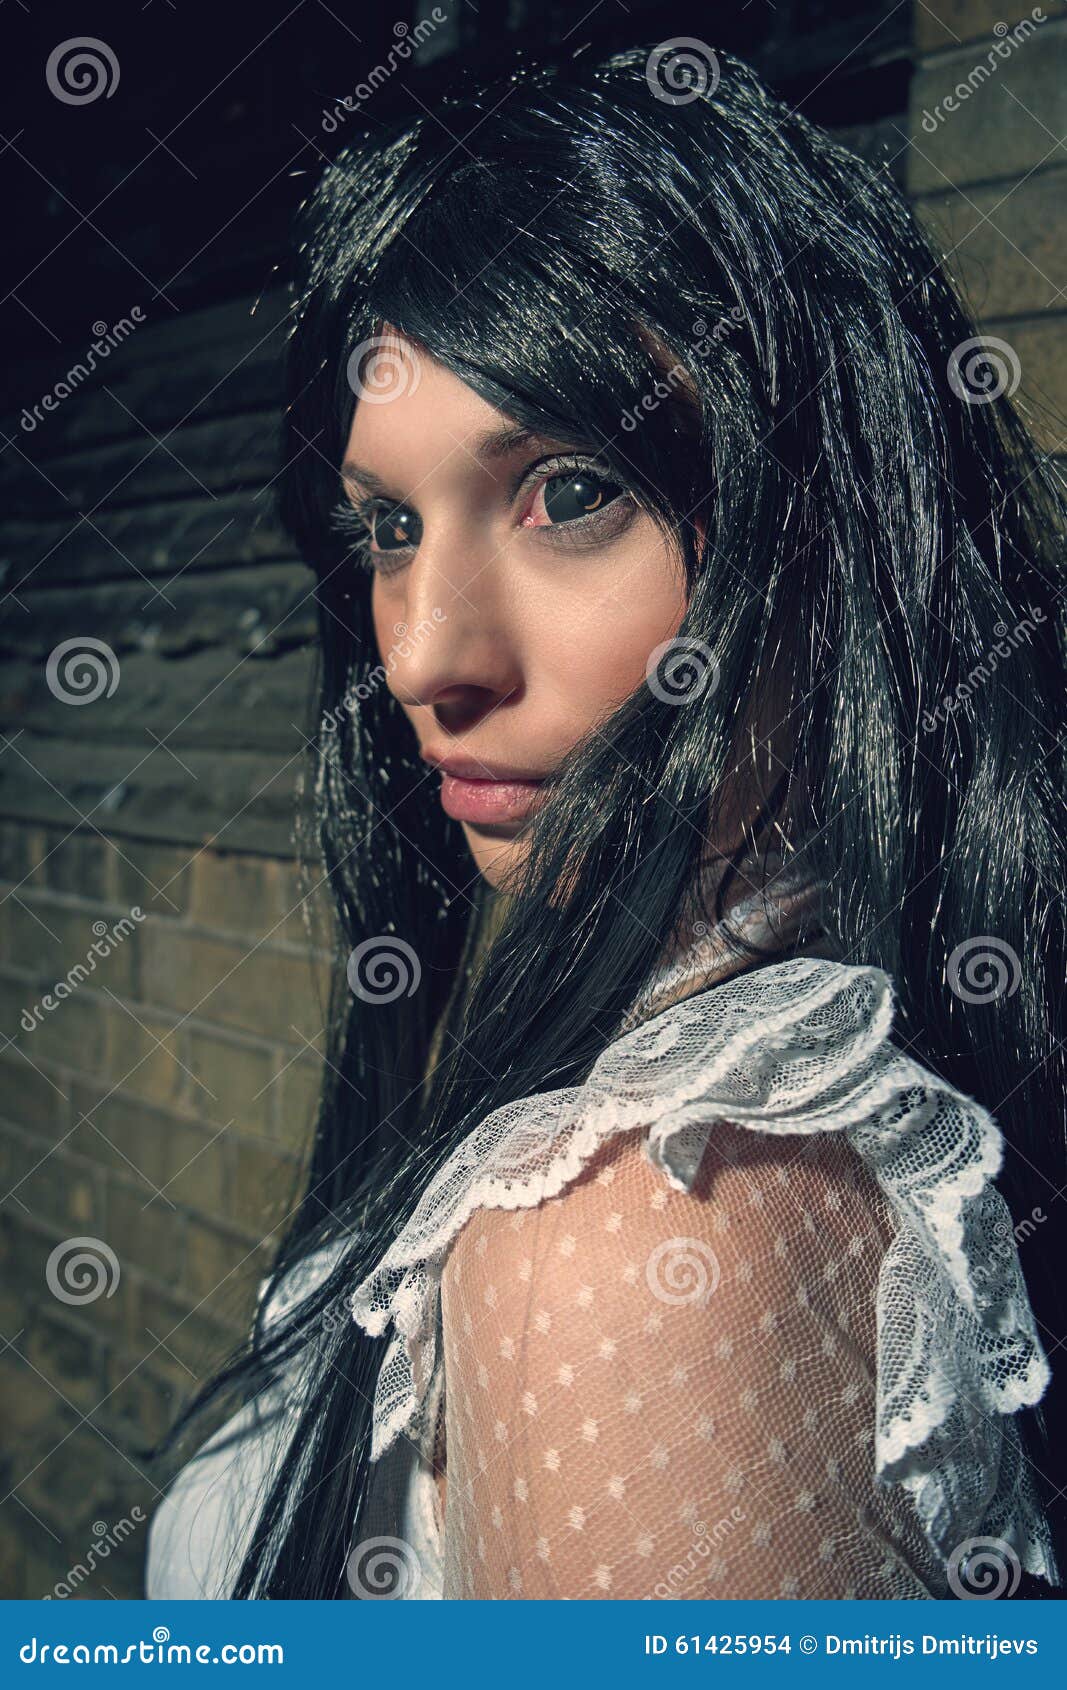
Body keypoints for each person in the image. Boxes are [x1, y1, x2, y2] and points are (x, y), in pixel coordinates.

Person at [146, 42, 1064, 1601]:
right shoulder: (812, 1043)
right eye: (388, 525)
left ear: (832, 517)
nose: (424, 653)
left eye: (571, 494)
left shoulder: (634, 1243)